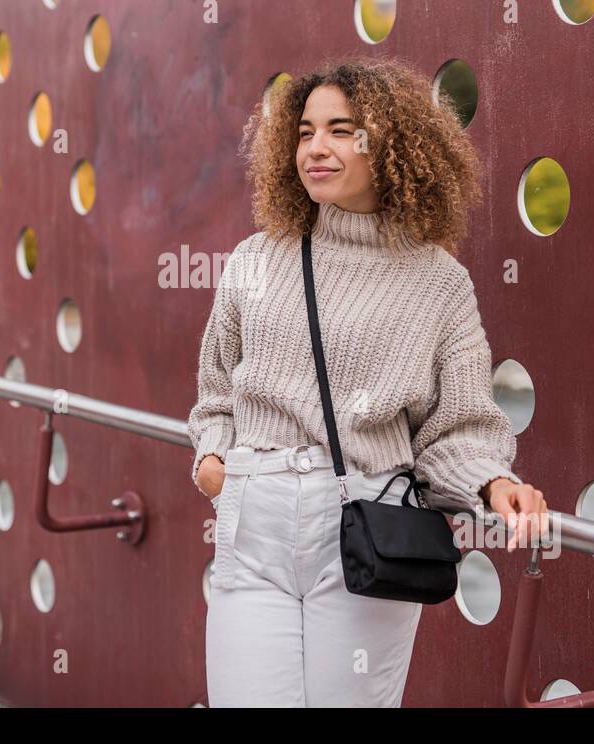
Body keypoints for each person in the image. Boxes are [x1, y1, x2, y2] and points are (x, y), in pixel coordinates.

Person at [187, 56, 549, 707]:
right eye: (304, 131)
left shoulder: (439, 281)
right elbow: (215, 392)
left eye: (342, 130)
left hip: (363, 527)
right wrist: (215, 461)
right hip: (254, 523)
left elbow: (456, 430)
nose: (316, 148)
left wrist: (496, 484)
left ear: (390, 142)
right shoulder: (254, 259)